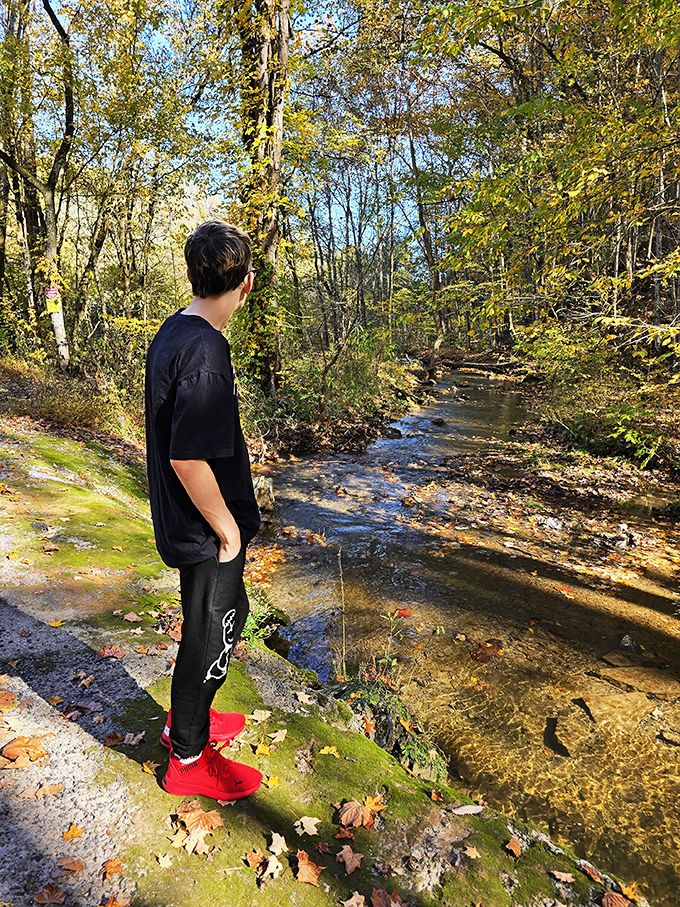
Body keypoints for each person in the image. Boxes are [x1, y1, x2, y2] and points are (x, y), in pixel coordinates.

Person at [145, 220, 263, 800]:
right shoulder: (207, 351)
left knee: (222, 614)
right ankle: (188, 757)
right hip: (202, 523)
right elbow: (189, 457)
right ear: (245, 283)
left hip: (182, 516)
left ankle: (186, 718)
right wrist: (227, 529)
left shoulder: (174, 330)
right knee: (213, 628)